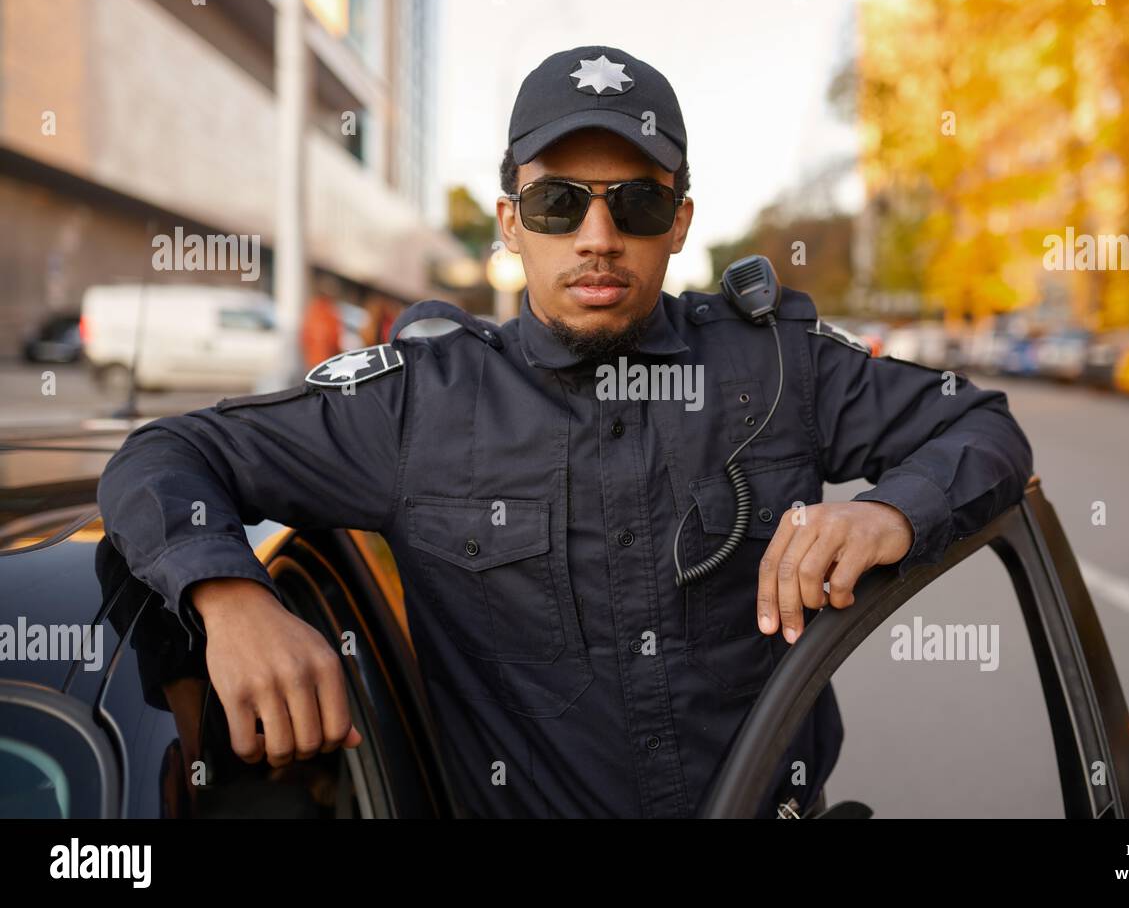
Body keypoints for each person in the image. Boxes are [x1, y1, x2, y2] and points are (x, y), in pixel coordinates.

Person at [97, 45, 1033, 818]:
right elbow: (166, 456)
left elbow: (982, 427)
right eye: (558, 204)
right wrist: (230, 596)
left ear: (681, 224)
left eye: (637, 203)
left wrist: (890, 515)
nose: (596, 235)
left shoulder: (778, 366)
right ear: (510, 223)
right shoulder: (418, 402)